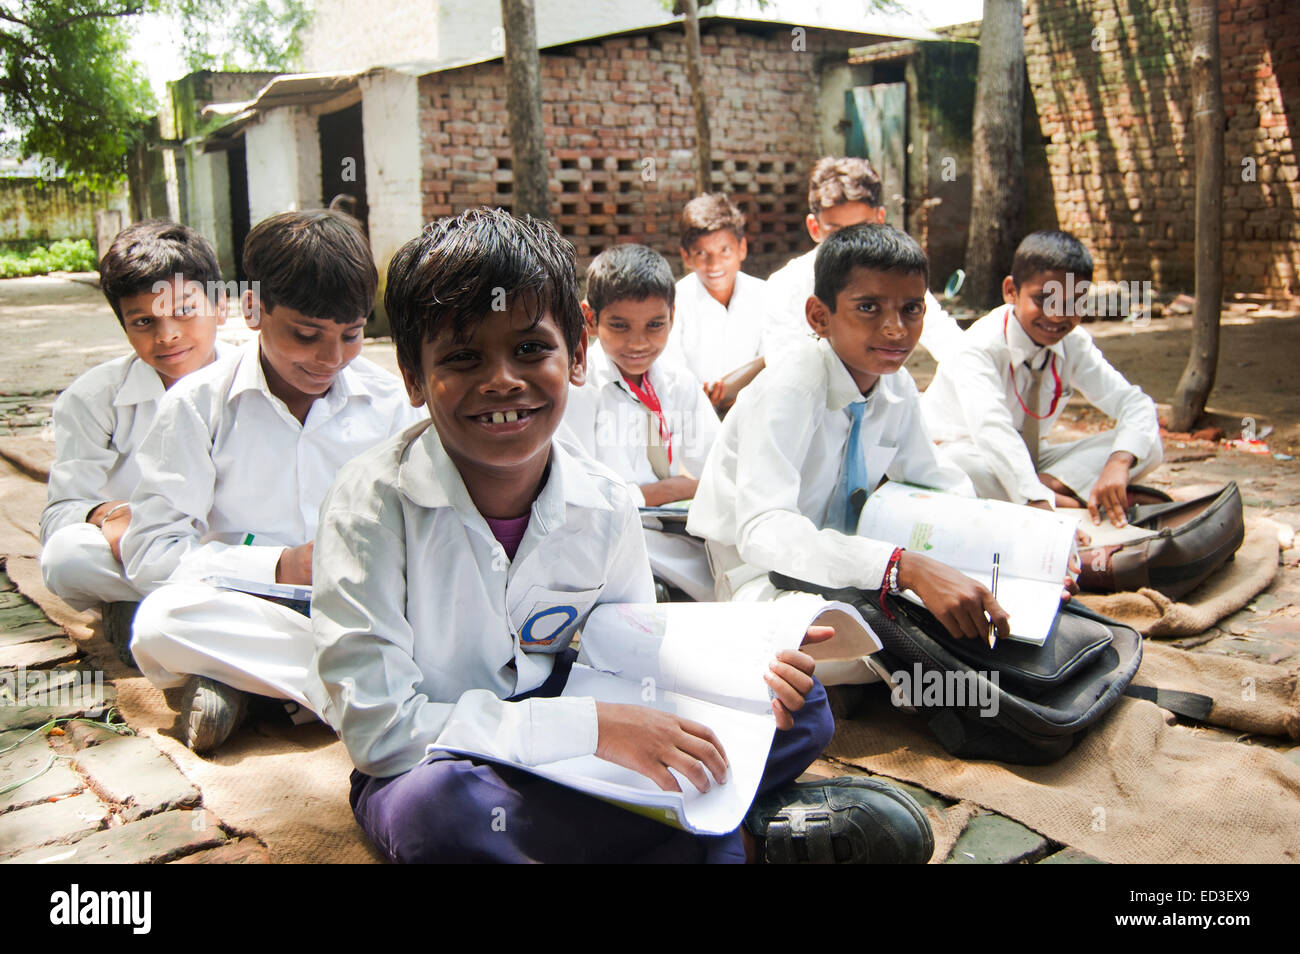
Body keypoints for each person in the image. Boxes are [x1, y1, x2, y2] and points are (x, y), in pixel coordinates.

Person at [307, 208, 934, 864]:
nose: (501, 380)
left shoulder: (603, 502)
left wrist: (741, 669)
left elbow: (630, 655)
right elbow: (381, 732)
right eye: (463, 357)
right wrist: (593, 727)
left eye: (529, 349)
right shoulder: (371, 506)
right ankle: (737, 839)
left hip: (574, 746)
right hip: (447, 758)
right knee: (434, 815)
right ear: (411, 375)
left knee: (801, 712)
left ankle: (657, 831)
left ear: (576, 354)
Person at [120, 209, 423, 753]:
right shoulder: (196, 406)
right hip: (245, 606)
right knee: (161, 621)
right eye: (307, 335)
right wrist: (279, 566)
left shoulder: (389, 405)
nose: (331, 359)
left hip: (364, 607)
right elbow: (151, 552)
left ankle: (253, 687)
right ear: (254, 308)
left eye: (351, 335)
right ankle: (359, 694)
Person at [689, 223, 1017, 656]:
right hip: (761, 576)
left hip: (853, 565)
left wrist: (1012, 553)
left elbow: (934, 483)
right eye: (868, 307)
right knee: (842, 640)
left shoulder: (896, 388)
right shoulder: (789, 388)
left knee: (977, 613)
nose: (896, 329)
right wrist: (901, 567)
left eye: (911, 309)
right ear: (819, 317)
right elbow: (764, 533)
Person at [40, 220, 226, 612]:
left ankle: (153, 606)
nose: (167, 335)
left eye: (184, 311)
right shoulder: (93, 399)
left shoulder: (254, 380)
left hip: (233, 544)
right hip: (143, 547)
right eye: (144, 322)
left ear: (220, 305)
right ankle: (204, 603)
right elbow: (61, 511)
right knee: (66, 558)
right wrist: (109, 515)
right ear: (123, 325)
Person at [920, 230, 1163, 527]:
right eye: (1044, 299)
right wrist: (1042, 509)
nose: (1058, 316)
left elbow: (1134, 403)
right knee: (962, 465)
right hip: (971, 452)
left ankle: (1051, 491)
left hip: (1032, 459)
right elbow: (992, 432)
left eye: (1074, 302)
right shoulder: (980, 346)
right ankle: (1066, 500)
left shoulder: (1074, 343)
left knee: (1145, 444)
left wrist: (1118, 463)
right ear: (1011, 291)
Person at [562, 244, 719, 601]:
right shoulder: (579, 388)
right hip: (602, 535)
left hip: (668, 530)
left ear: (672, 317)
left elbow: (716, 468)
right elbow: (576, 497)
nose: (638, 342)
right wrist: (664, 492)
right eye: (619, 326)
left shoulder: (677, 382)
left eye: (654, 325)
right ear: (590, 319)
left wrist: (692, 490)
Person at [761, 157, 964, 365]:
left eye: (863, 229)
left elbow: (946, 340)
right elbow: (784, 363)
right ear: (814, 228)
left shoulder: (898, 278)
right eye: (837, 232)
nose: (852, 245)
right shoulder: (787, 286)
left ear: (880, 220)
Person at [662, 193, 766, 408]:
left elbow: (773, 360)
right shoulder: (674, 302)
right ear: (686, 257)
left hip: (754, 408)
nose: (714, 264)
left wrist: (743, 397)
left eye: (725, 250)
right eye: (701, 253)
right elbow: (671, 372)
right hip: (692, 413)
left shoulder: (764, 295)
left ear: (742, 248)